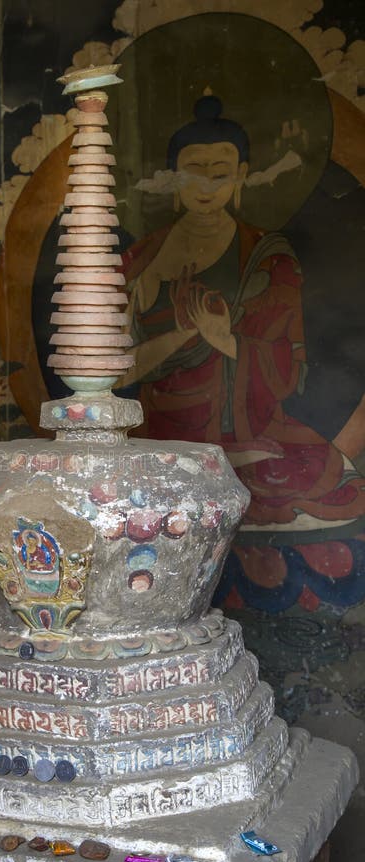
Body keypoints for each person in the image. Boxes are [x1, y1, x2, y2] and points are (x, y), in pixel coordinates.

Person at [121, 94, 365, 533]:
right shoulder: (140, 261)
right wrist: (181, 335)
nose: (207, 185)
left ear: (242, 177)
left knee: (324, 476)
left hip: (248, 432)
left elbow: (288, 370)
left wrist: (226, 340)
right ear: (172, 178)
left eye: (220, 174)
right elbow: (115, 375)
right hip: (157, 434)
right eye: (193, 173)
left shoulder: (269, 258)